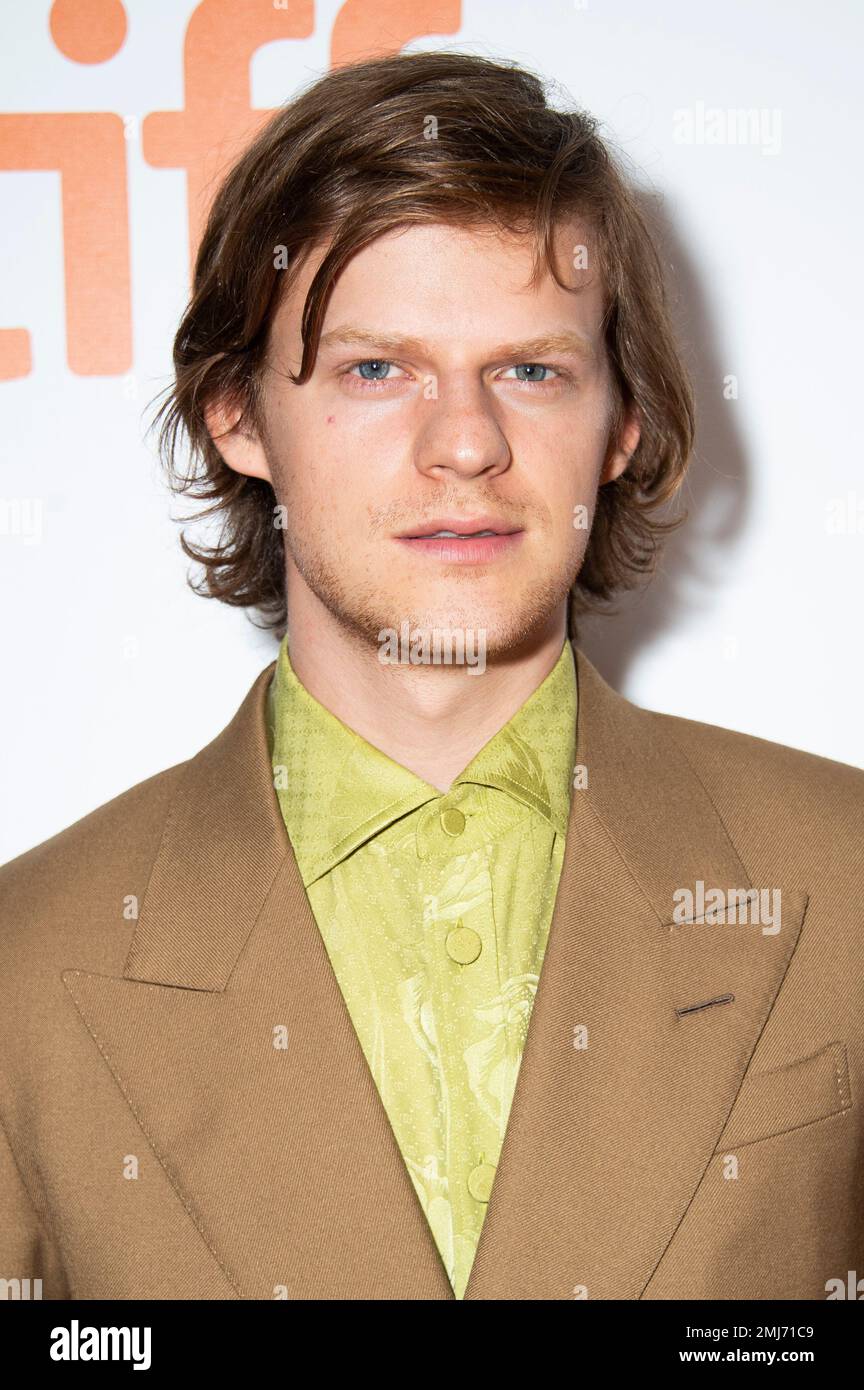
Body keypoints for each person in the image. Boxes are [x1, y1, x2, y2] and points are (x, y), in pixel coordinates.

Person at [1, 50, 861, 1303]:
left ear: (622, 423)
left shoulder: (845, 881)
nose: (465, 442)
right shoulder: (23, 971)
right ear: (236, 414)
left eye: (531, 370)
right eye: (374, 368)